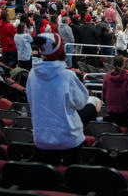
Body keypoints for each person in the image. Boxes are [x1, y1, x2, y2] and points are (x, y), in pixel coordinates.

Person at [27, 32, 89, 166]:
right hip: (68, 137)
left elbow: (31, 100)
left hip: (42, 137)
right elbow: (81, 102)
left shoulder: (32, 74)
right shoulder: (68, 76)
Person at [102, 54, 128, 127]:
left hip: (111, 108)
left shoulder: (107, 76)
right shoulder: (127, 77)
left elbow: (104, 92)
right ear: (123, 64)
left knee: (114, 128)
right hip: (124, 109)